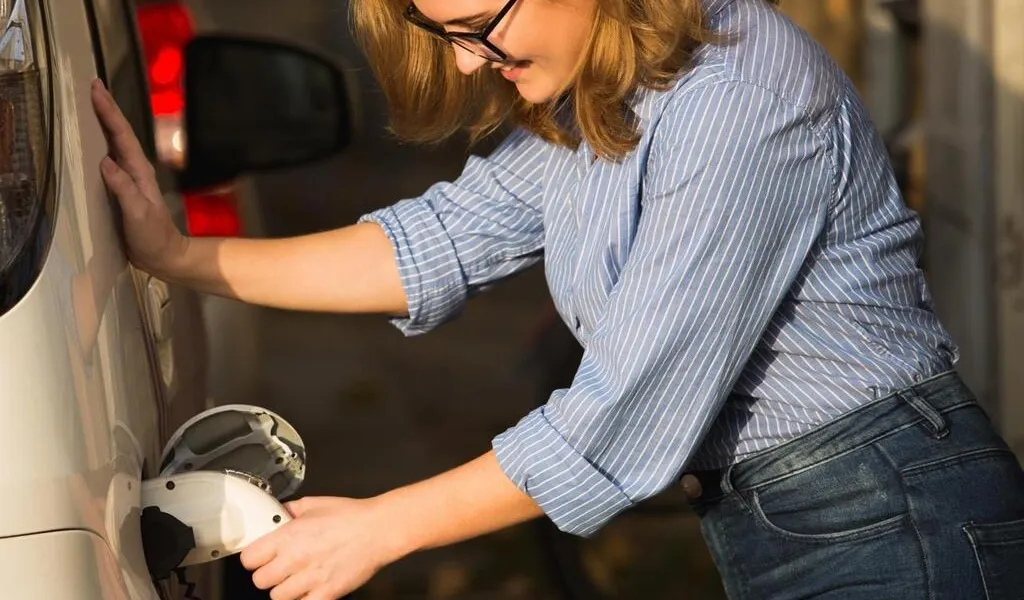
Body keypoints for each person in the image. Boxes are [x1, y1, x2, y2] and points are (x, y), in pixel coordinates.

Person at [92, 0, 1024, 598]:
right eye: (444, 33)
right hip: (800, 511)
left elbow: (626, 408)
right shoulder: (610, 91)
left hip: (894, 514)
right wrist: (180, 257)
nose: (464, 64)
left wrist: (384, 527)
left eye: (473, 24)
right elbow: (440, 242)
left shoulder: (741, 95)